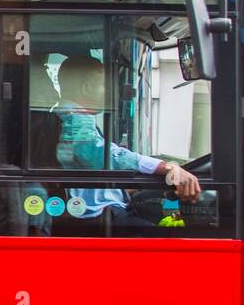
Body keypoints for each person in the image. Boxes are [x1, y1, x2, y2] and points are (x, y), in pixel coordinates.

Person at [53, 55, 200, 228]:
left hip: (105, 211)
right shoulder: (75, 118)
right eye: (104, 85)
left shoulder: (72, 117)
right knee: (165, 238)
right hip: (99, 215)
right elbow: (103, 155)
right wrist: (165, 166)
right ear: (86, 88)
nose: (110, 92)